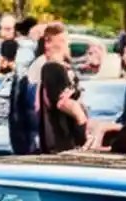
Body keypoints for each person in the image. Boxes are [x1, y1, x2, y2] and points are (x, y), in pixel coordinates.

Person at [37, 23, 88, 154]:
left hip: (65, 141)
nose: (68, 45)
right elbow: (61, 103)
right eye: (64, 41)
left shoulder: (62, 68)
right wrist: (81, 120)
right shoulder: (53, 69)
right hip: (64, 142)